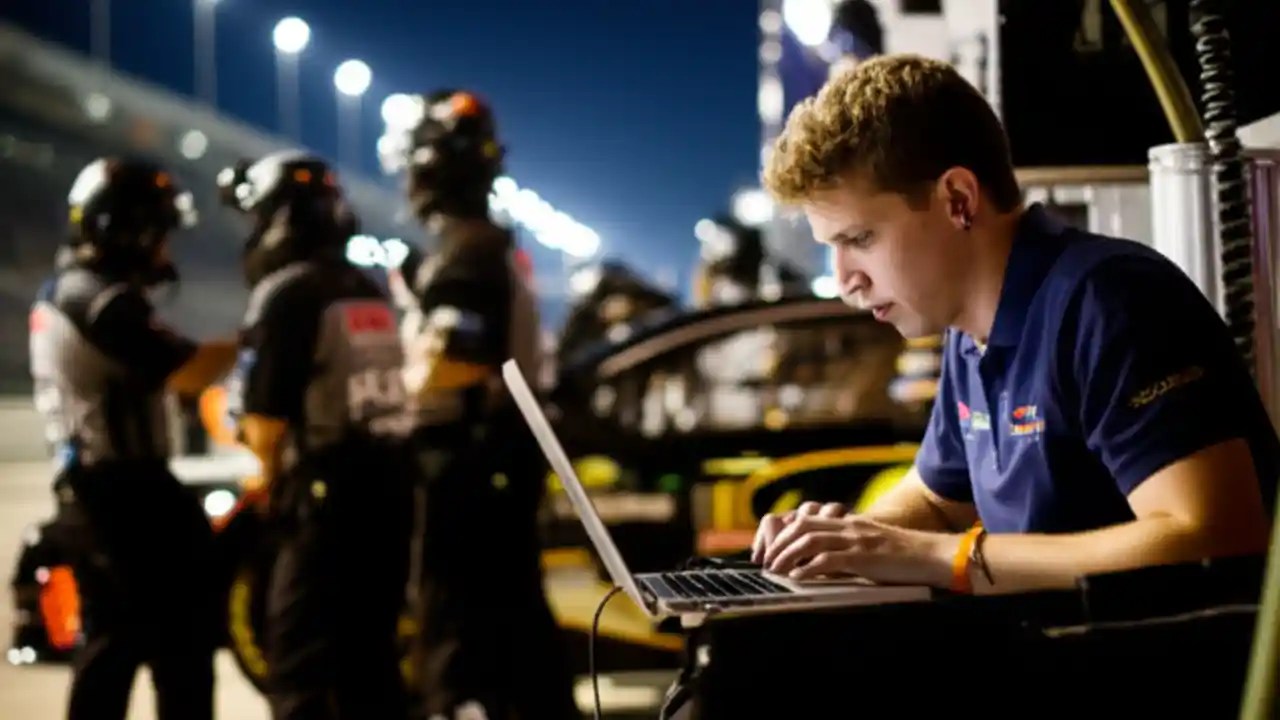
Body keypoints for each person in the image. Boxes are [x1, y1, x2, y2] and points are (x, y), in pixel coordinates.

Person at [750, 55, 1278, 595]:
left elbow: (1214, 536)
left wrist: (942, 557)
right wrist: (839, 542)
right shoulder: (968, 333)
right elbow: (935, 500)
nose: (845, 282)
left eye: (859, 240)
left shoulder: (1109, 300)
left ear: (957, 200)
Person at [377, 88, 577, 720]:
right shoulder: (485, 243)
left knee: (454, 634)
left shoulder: (466, 251)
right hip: (496, 459)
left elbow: (458, 358)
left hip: (466, 464)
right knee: (516, 631)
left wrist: (395, 391)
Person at [30, 157, 237, 720]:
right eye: (158, 233)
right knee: (139, 652)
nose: (164, 251)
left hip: (117, 493)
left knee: (158, 650)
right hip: (118, 498)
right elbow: (187, 371)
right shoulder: (93, 295)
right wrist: (260, 333)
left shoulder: (75, 289)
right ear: (126, 230)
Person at [217, 151, 415, 719]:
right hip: (390, 492)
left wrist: (268, 481)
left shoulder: (287, 294)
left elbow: (266, 422)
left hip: (325, 503)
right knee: (372, 663)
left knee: (298, 664)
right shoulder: (367, 287)